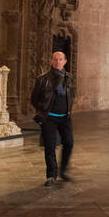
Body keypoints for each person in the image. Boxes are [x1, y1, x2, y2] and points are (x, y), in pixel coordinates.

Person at [30, 51, 74, 187]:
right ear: (51, 61)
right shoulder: (43, 79)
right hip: (49, 118)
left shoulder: (69, 77)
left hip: (65, 117)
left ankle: (63, 170)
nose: (57, 62)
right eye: (55, 59)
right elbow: (34, 99)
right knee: (50, 147)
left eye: (60, 59)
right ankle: (51, 175)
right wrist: (43, 110)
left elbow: (72, 95)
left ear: (65, 61)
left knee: (69, 143)